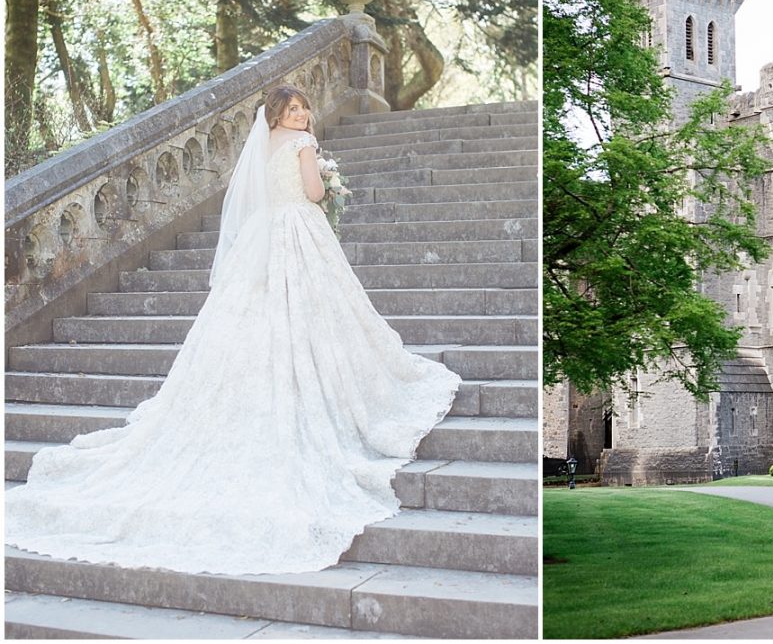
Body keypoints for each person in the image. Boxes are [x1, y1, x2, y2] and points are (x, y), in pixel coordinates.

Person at [5, 85, 462, 575]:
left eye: (305, 106)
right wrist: (324, 180)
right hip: (300, 235)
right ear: (279, 114)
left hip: (262, 239)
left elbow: (262, 196)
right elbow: (312, 194)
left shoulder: (261, 144)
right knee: (317, 311)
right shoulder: (303, 144)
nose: (303, 113)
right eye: (294, 108)